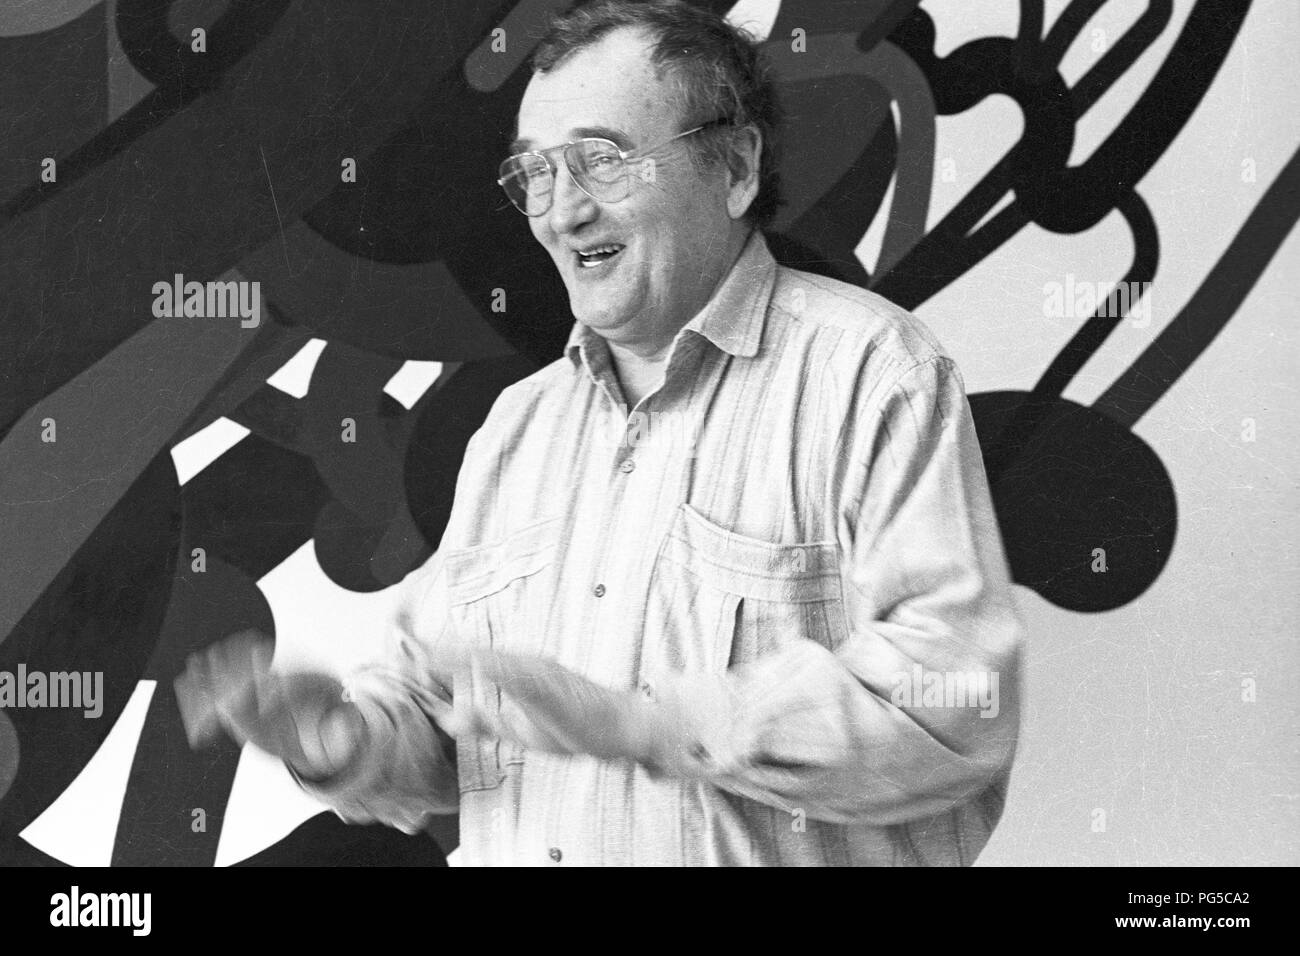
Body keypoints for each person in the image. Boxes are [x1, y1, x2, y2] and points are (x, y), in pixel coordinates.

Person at [176, 0, 1023, 866]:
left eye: (601, 161)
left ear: (733, 166)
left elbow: (951, 704)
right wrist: (343, 740)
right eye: (535, 174)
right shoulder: (515, 430)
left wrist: (644, 725)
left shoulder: (875, 375)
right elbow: (449, 724)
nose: (560, 211)